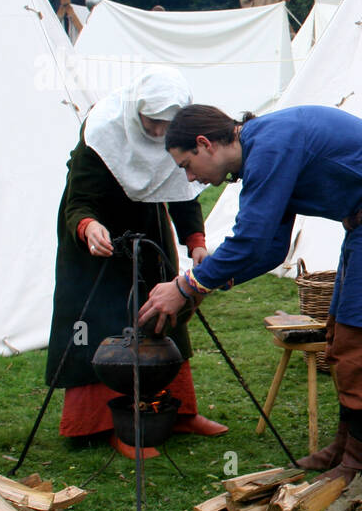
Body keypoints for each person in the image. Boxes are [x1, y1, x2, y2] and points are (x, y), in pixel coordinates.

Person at [138, 104, 362, 481]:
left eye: (187, 164)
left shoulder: (270, 145)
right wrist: (208, 283)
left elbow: (251, 241)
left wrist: (187, 285)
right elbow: (269, 249)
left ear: (205, 144)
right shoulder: (263, 148)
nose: (190, 176)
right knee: (340, 334)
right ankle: (346, 443)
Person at [45, 67, 226, 460]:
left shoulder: (175, 135)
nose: (160, 133)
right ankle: (108, 423)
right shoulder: (103, 131)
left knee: (163, 311)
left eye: (167, 125)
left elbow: (181, 190)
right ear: (136, 111)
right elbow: (79, 201)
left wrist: (195, 240)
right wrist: (89, 227)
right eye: (152, 123)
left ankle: (178, 413)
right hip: (100, 240)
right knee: (103, 323)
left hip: (149, 233)